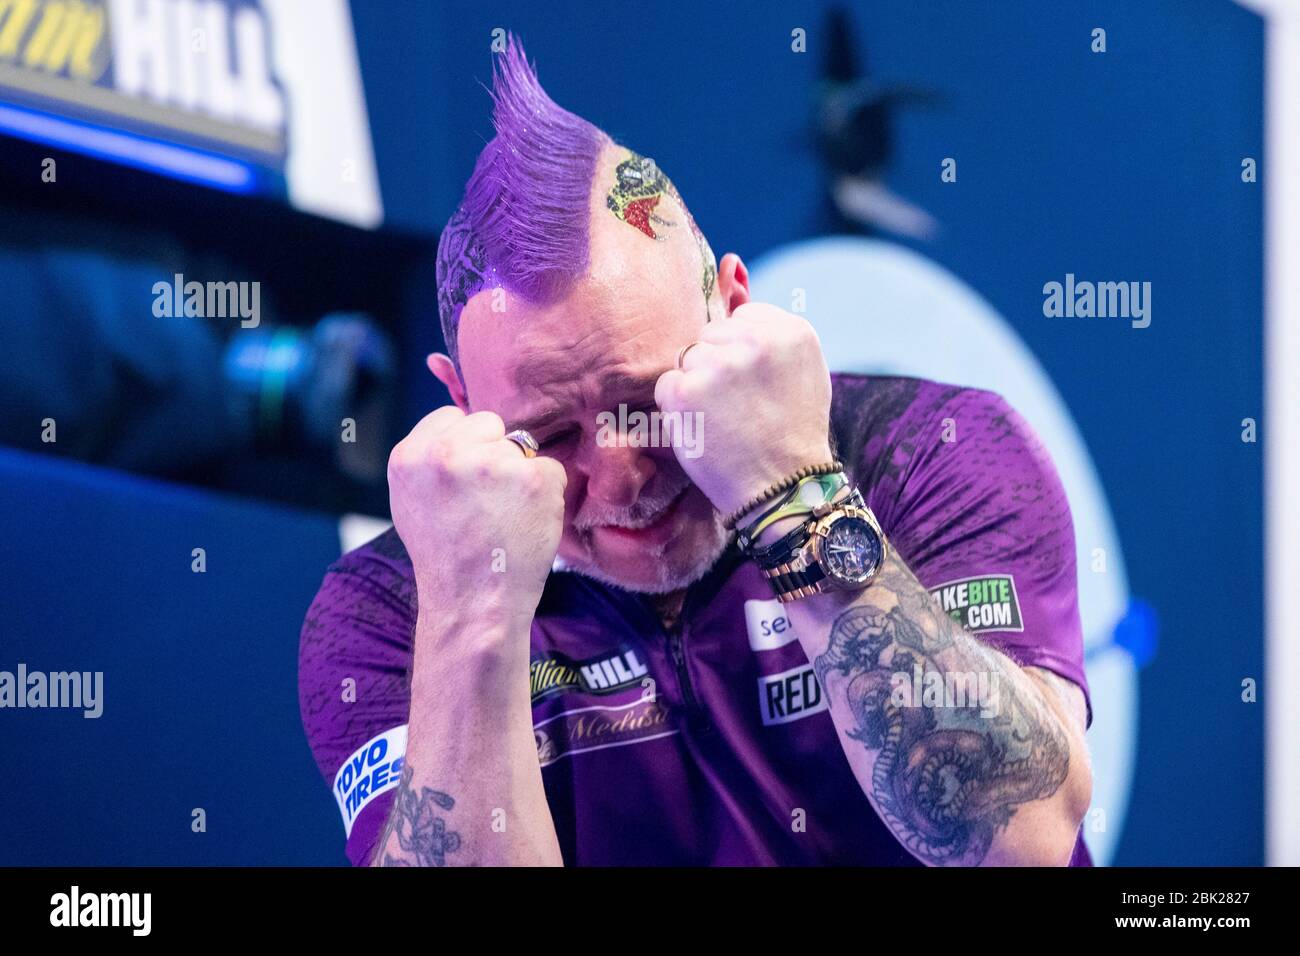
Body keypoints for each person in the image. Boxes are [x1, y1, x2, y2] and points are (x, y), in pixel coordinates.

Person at [298, 36, 1094, 867]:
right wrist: (470, 616)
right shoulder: (390, 608)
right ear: (462, 405)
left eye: (648, 403)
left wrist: (795, 498)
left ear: (734, 312)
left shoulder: (926, 452)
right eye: (552, 435)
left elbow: (1021, 841)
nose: (620, 480)